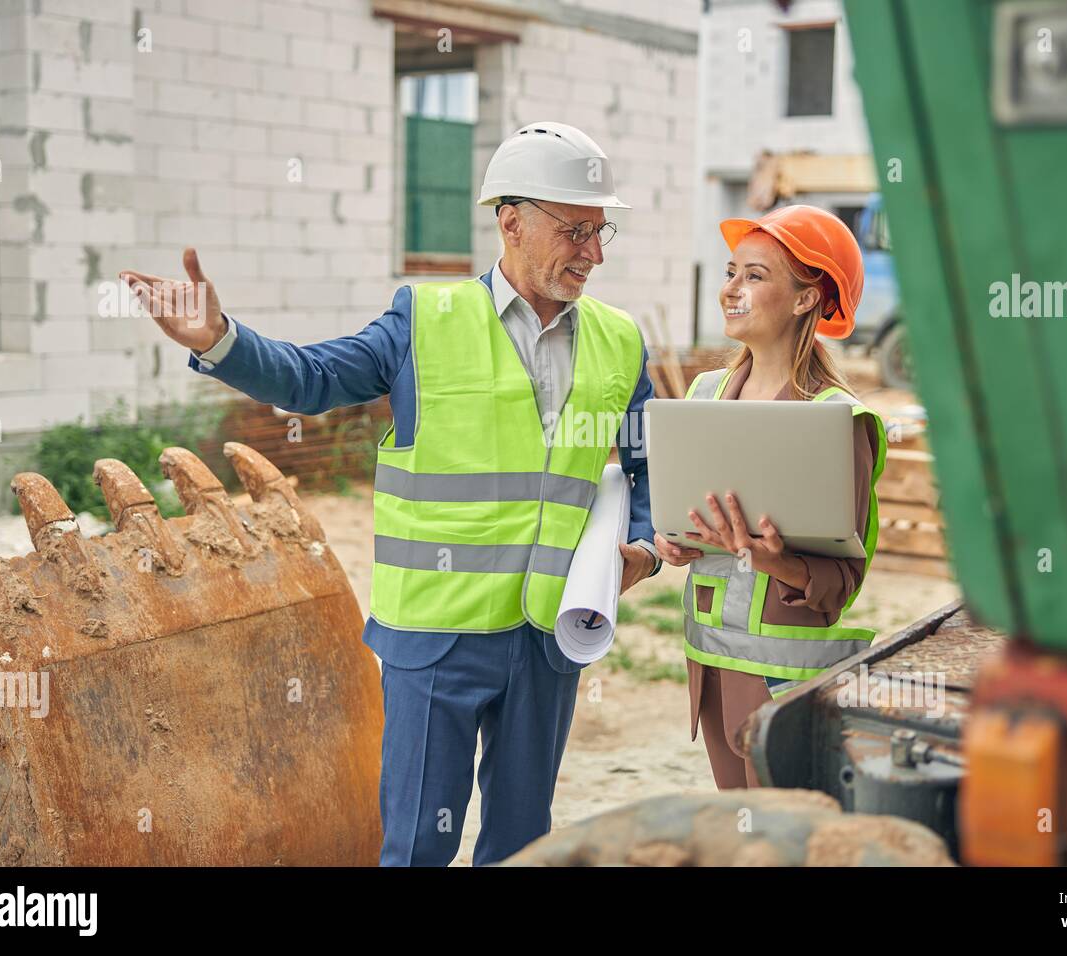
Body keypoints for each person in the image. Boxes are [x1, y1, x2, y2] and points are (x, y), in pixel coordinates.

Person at [120, 121, 661, 865]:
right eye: (576, 230)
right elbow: (311, 379)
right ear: (511, 221)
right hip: (436, 640)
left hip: (549, 634)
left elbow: (646, 461)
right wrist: (221, 341)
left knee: (522, 845)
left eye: (602, 232)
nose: (594, 253)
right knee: (414, 846)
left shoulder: (620, 340)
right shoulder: (425, 321)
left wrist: (646, 545)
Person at [654, 205, 886, 790]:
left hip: (785, 680)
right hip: (709, 666)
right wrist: (675, 541)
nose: (731, 289)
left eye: (755, 276)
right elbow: (686, 518)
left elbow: (844, 579)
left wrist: (772, 559)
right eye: (731, 272)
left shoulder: (836, 419)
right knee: (740, 837)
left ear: (806, 298)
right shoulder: (705, 395)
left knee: (780, 844)